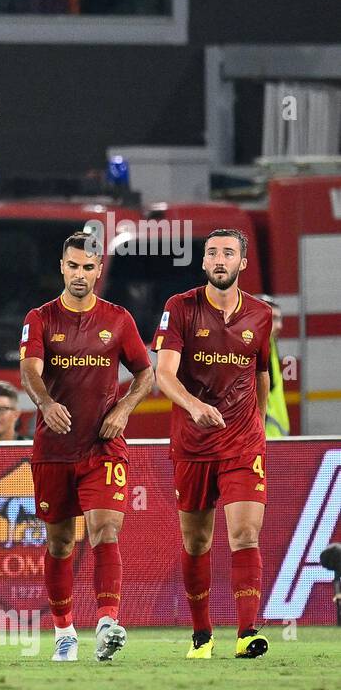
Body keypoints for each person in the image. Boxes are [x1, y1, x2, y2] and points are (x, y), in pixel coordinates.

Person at [19, 232, 154, 663]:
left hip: (103, 446)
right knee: (59, 543)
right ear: (62, 266)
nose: (80, 275)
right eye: (73, 266)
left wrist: (125, 408)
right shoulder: (40, 318)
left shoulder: (118, 320)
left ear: (99, 269)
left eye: (88, 267)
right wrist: (46, 402)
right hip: (54, 448)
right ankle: (64, 633)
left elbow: (145, 374)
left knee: (105, 530)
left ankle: (107, 622)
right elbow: (29, 369)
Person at [154, 228, 274, 660]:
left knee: (244, 534)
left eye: (228, 253)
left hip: (242, 444)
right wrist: (193, 406)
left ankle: (247, 633)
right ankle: (202, 636)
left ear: (242, 263)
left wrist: (256, 425)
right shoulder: (180, 308)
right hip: (193, 444)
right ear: (203, 263)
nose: (219, 259)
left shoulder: (260, 315)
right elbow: (163, 373)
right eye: (212, 253)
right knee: (197, 542)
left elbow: (261, 374)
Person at [258, 294, 289, 438]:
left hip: (275, 438)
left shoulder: (270, 346)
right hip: (261, 440)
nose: (280, 326)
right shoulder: (249, 352)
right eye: (274, 318)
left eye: (280, 319)